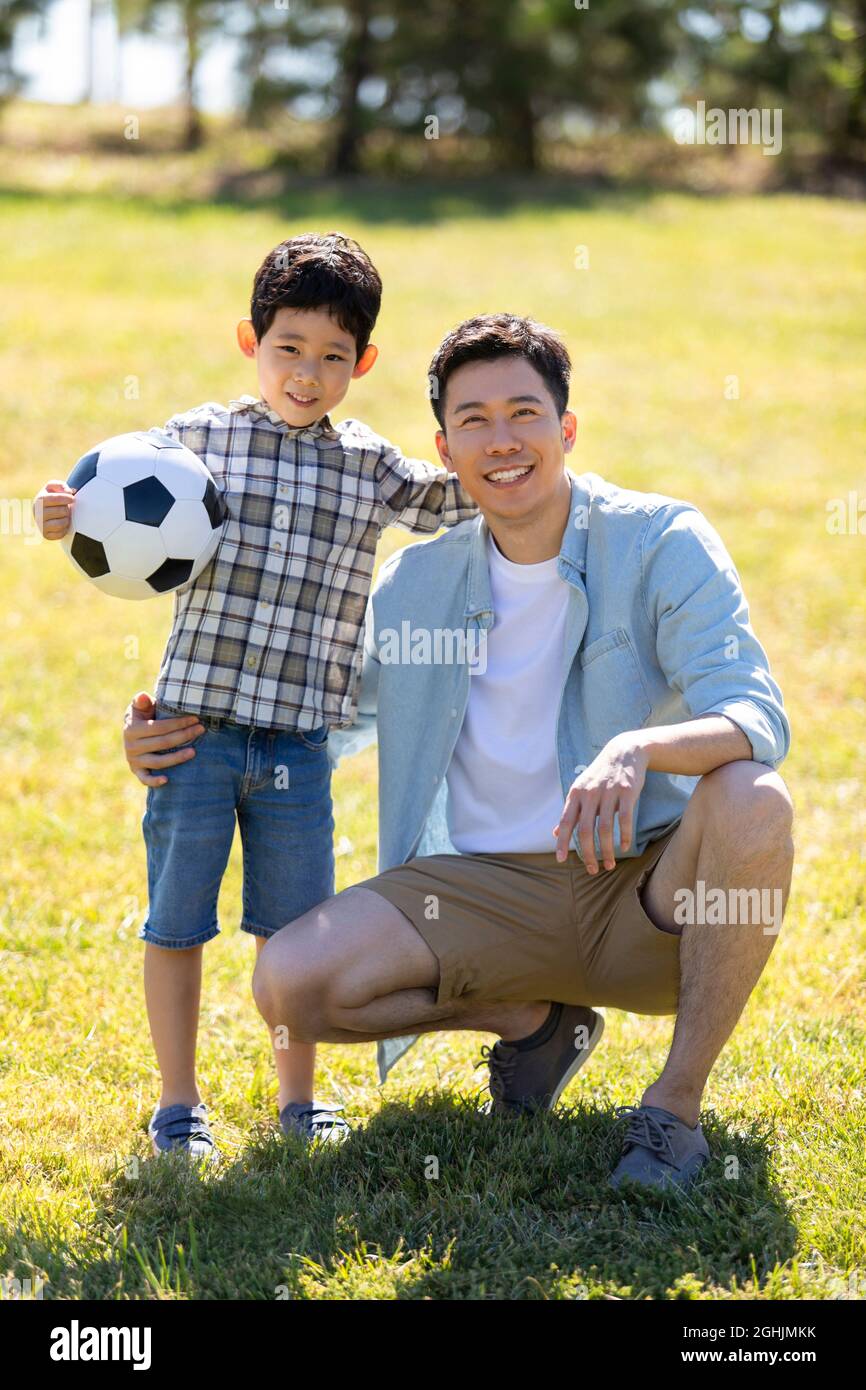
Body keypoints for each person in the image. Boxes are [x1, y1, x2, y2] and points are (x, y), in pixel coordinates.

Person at [126, 312, 794, 1192]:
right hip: (477, 897)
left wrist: (637, 748)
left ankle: (673, 1111)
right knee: (291, 983)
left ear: (567, 428)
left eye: (524, 412)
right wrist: (179, 726)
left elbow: (754, 714)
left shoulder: (662, 541)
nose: (503, 440)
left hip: (647, 891)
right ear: (445, 450)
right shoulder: (417, 585)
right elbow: (318, 713)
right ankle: (532, 1022)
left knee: (754, 798)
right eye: (474, 421)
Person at [32, 232, 479, 1158]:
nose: (308, 376)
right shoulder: (197, 441)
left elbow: (449, 501)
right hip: (192, 733)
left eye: (332, 358)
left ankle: (297, 1099)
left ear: (364, 362)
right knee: (177, 923)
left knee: (295, 937)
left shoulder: (369, 465)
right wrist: (60, 512)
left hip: (297, 750)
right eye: (289, 351)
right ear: (251, 341)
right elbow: (104, 489)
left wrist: (518, 460)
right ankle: (177, 1106)